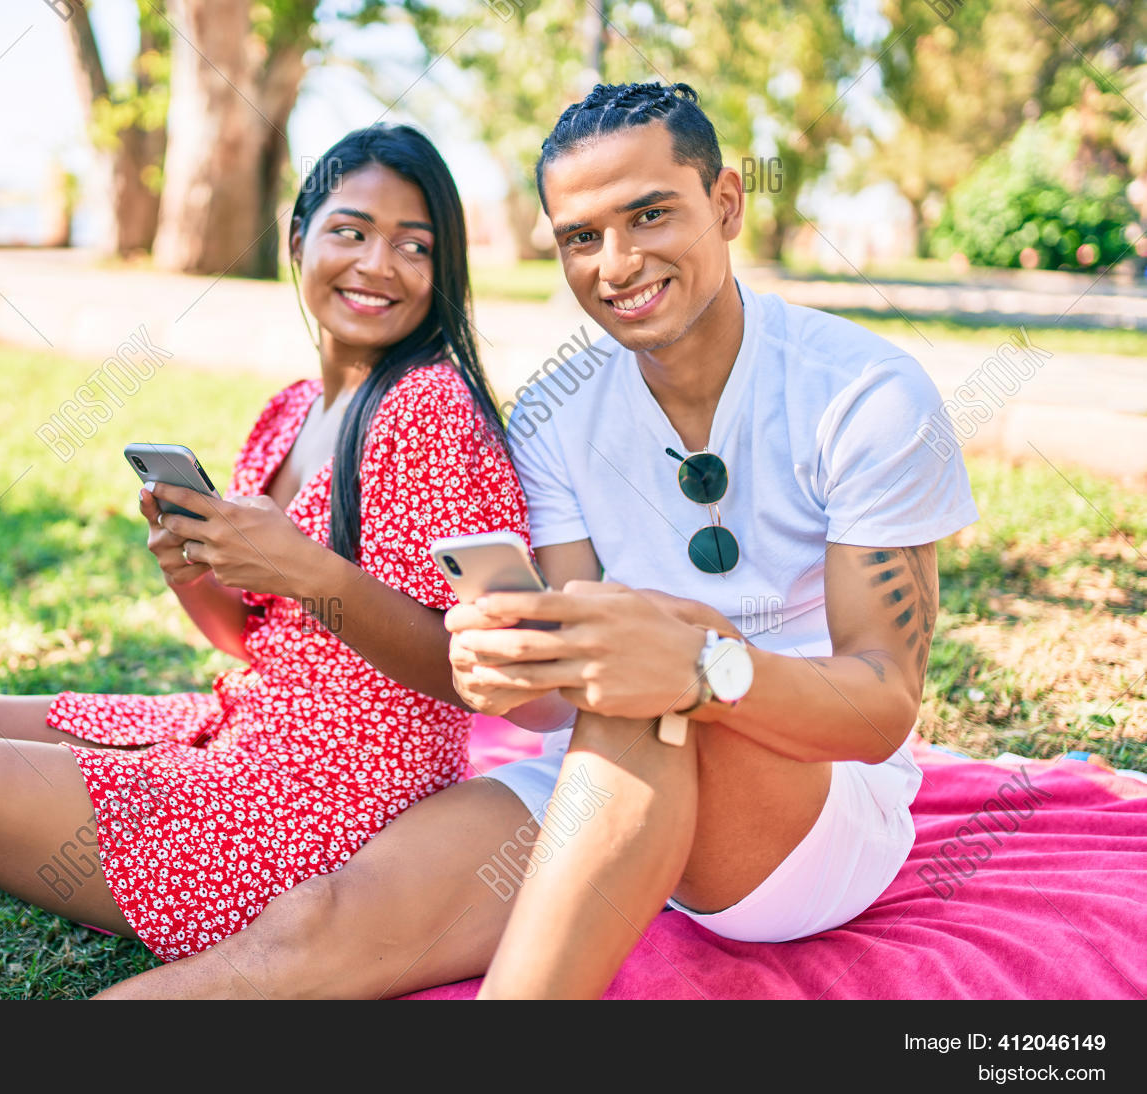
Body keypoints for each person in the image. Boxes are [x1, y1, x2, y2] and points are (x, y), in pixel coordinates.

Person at [95, 81, 978, 1000]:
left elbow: (881, 713)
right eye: (581, 237)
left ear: (725, 204)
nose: (619, 262)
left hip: (810, 803)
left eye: (649, 215)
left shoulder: (867, 396)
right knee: (325, 922)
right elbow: (556, 706)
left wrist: (703, 667)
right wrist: (508, 674)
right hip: (599, 770)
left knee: (642, 672)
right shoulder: (558, 416)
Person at [0, 123, 530, 996]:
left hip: (332, 811)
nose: (378, 264)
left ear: (444, 270)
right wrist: (193, 568)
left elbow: (473, 673)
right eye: (351, 231)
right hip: (242, 731)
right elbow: (246, 641)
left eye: (415, 247)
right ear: (297, 238)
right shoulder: (292, 409)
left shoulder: (431, 411)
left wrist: (304, 566)